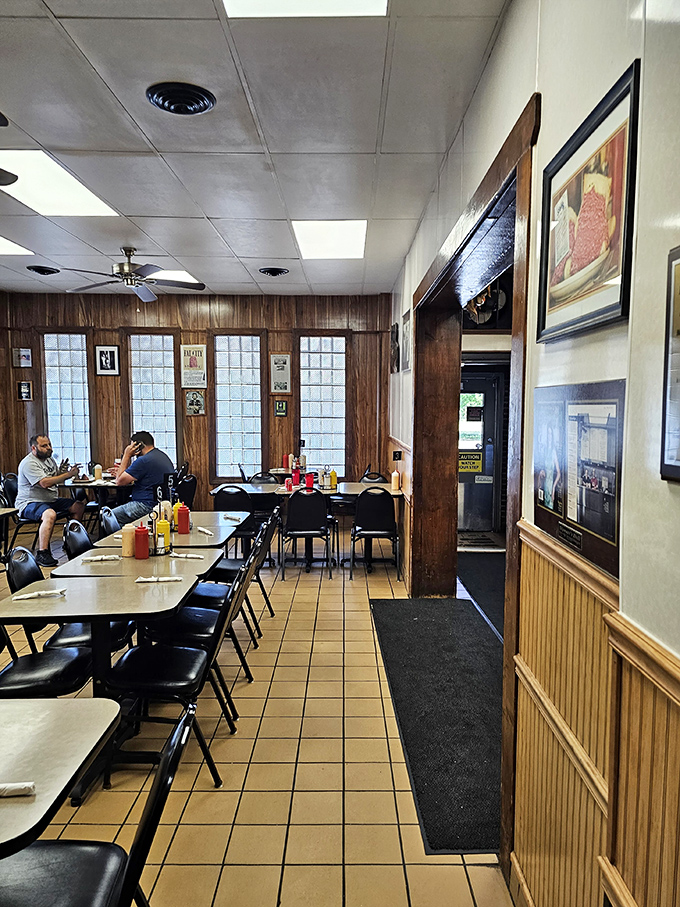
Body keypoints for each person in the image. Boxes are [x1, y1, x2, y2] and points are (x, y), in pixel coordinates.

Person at [15, 434, 85, 567]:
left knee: (78, 506)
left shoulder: (49, 459)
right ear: (34, 448)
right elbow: (45, 483)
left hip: (50, 500)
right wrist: (68, 475)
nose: (49, 448)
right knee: (50, 514)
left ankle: (71, 542)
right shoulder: (29, 463)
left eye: (49, 444)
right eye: (44, 446)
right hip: (29, 502)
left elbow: (53, 477)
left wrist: (62, 472)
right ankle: (43, 553)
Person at [110, 431, 175, 526]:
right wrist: (122, 473)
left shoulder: (144, 460)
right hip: (162, 504)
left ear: (139, 445)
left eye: (132, 446)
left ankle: (127, 534)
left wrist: (126, 455)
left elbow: (119, 481)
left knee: (108, 516)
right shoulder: (162, 456)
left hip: (146, 505)